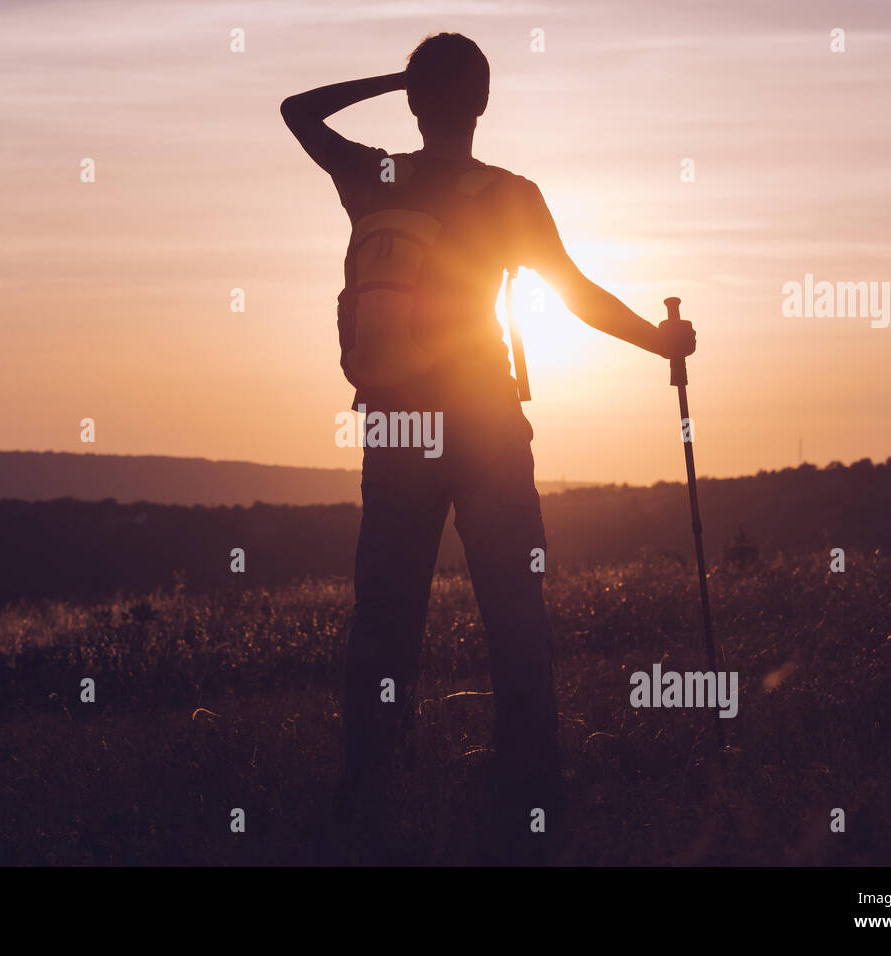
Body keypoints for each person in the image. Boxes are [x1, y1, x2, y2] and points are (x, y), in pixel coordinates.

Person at [281, 33, 695, 861]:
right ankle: (530, 789)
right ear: (482, 104)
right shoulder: (509, 195)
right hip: (485, 421)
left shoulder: (374, 177)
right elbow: (575, 296)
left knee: (385, 614)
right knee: (513, 607)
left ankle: (370, 786)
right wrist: (661, 342)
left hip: (396, 423)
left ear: (413, 102)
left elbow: (298, 110)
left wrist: (399, 78)